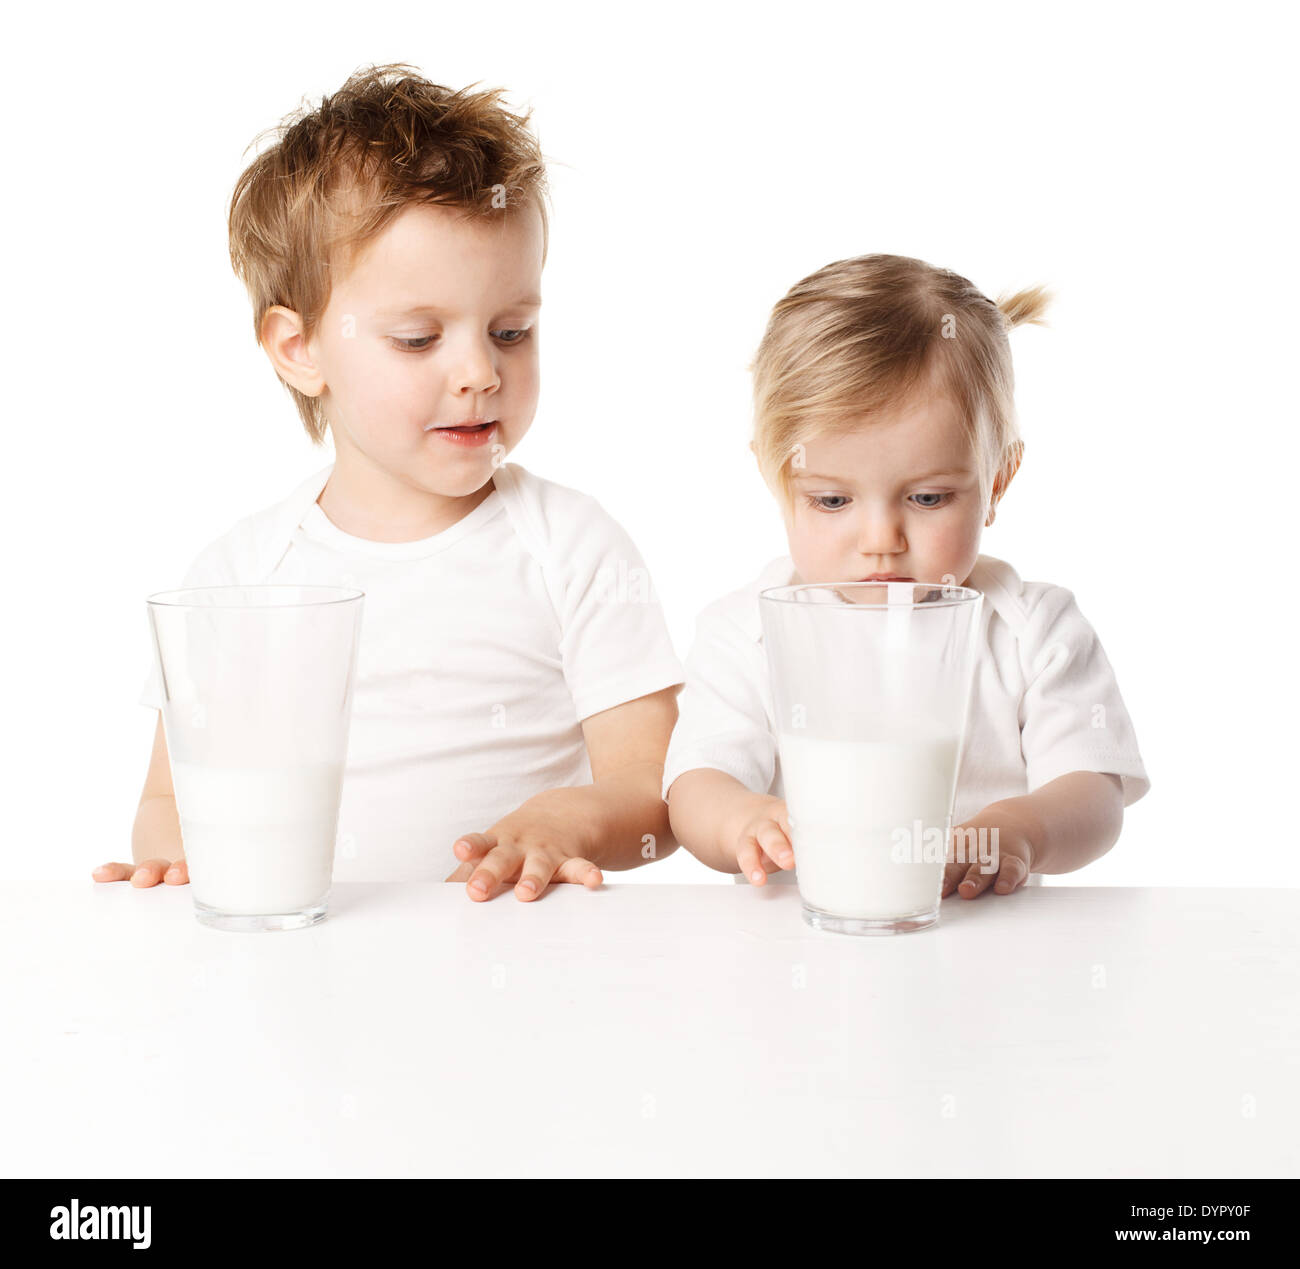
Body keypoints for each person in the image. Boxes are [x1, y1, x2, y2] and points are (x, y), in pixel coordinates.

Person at [95, 64, 683, 901]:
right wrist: (176, 860)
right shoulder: (241, 577)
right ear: (299, 350)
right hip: (302, 978)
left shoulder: (574, 548)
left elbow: (656, 798)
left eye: (511, 330)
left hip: (511, 969)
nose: (480, 370)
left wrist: (567, 821)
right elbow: (168, 797)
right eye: (418, 339)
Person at [664, 253, 1149, 901]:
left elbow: (1095, 789)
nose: (881, 541)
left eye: (927, 499)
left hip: (999, 951)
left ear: (998, 478)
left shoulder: (1031, 627)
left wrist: (1019, 829)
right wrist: (740, 820)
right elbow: (696, 780)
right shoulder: (747, 630)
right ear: (777, 479)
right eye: (832, 501)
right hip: (814, 941)